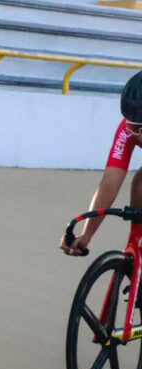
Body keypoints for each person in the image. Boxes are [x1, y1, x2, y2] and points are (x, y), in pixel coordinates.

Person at [62, 70, 142, 256]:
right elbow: (109, 184)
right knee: (140, 184)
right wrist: (87, 234)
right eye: (133, 126)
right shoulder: (126, 130)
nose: (138, 134)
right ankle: (136, 245)